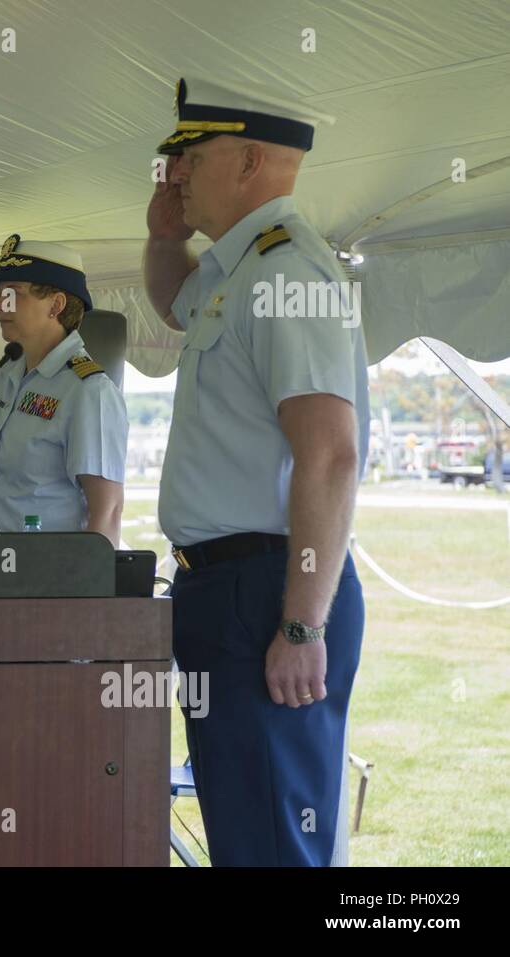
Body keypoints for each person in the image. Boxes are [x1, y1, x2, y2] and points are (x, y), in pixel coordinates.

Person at [143, 77, 369, 865]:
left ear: (246, 160)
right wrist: (165, 237)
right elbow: (175, 305)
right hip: (229, 588)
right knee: (248, 836)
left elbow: (330, 453)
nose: (173, 176)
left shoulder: (283, 273)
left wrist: (302, 623)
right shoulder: (238, 269)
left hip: (269, 587)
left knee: (273, 844)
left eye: (188, 159)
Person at [0, 234, 127, 544]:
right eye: (0, 295)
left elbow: (107, 512)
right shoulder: (5, 377)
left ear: (56, 304)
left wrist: (87, 588)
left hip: (52, 579)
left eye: (12, 294)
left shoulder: (89, 392)